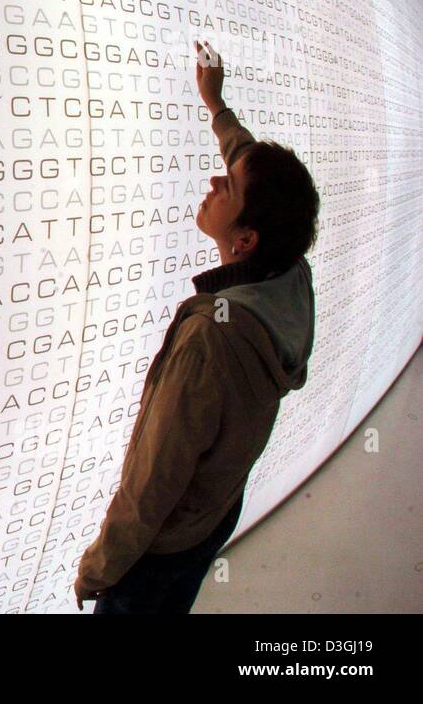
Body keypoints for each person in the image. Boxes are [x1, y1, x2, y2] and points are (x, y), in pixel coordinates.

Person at [72, 40, 321, 614]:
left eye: (226, 187)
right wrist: (216, 105)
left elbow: (153, 481)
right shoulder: (290, 273)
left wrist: (100, 569)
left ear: (245, 240)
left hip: (156, 553)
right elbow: (251, 162)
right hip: (217, 510)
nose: (214, 182)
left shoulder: (213, 337)